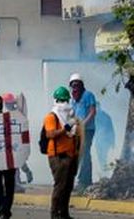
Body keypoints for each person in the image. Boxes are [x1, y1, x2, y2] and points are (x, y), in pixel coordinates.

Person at [45, 86, 82, 219]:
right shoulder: (51, 117)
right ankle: (54, 214)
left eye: (65, 101)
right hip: (58, 156)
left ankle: (64, 213)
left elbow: (77, 136)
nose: (63, 104)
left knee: (68, 187)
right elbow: (50, 134)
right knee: (60, 186)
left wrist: (77, 153)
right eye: (61, 101)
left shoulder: (72, 117)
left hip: (71, 155)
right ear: (56, 101)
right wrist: (66, 127)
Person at [68, 73, 97, 189]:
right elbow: (73, 114)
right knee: (81, 154)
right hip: (78, 130)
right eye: (73, 86)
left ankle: (82, 182)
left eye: (77, 85)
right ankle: (86, 180)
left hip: (88, 129)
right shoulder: (73, 99)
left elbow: (92, 112)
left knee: (84, 153)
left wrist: (83, 124)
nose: (75, 88)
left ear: (81, 85)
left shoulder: (88, 95)